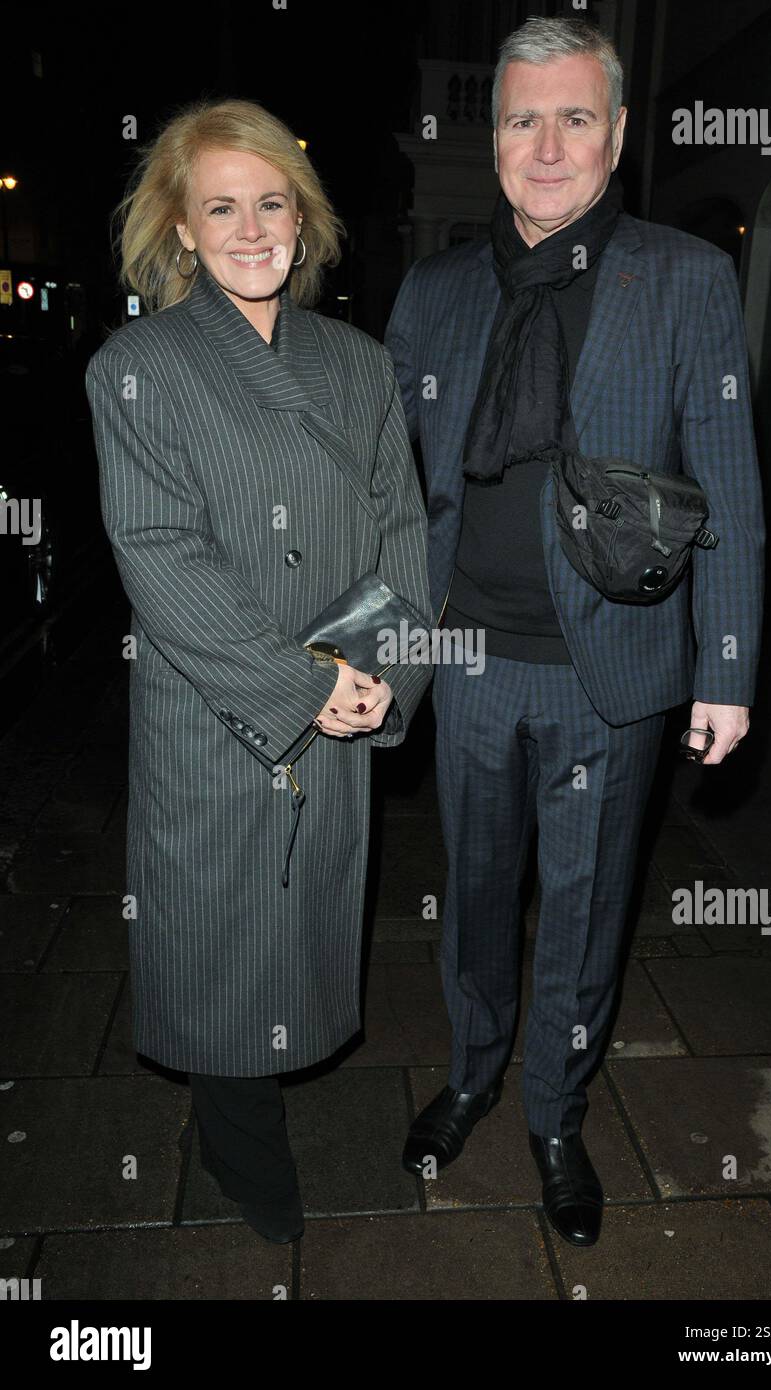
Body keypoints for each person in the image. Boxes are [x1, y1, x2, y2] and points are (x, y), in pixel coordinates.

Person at [385, 16, 765, 1247]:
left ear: (614, 134)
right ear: (490, 136)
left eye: (574, 117)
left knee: (589, 907)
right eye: (519, 119)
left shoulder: (682, 276)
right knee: (476, 895)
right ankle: (472, 1072)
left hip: (613, 672)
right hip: (466, 665)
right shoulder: (437, 289)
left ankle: (554, 1110)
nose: (545, 145)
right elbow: (383, 487)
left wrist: (727, 670)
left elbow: (728, 482)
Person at [85, 97, 432, 1244]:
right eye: (219, 206)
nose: (248, 228)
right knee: (221, 938)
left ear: (303, 216)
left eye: (269, 202)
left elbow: (401, 539)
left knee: (306, 925)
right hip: (219, 704)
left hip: (341, 696)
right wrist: (299, 685)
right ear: (179, 227)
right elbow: (156, 552)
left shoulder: (360, 363)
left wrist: (376, 672)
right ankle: (241, 1148)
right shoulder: (136, 366)